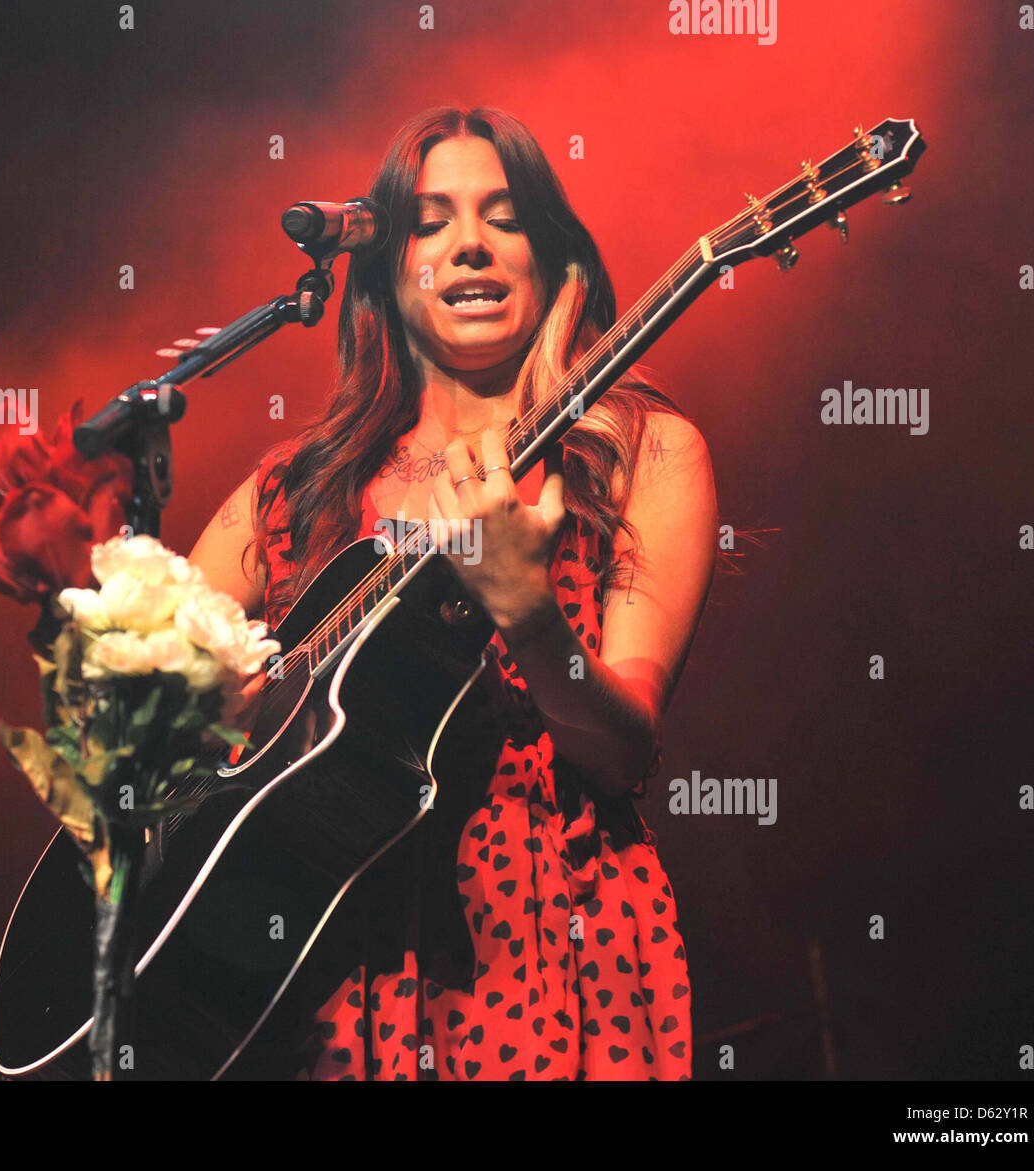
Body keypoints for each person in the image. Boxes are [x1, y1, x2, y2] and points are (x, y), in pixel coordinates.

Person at [188, 106, 717, 1081]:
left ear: (551, 260)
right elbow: (148, 718)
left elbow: (621, 750)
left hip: (545, 931)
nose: (469, 242)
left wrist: (525, 609)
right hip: (314, 955)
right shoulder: (292, 485)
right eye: (429, 222)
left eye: (503, 216)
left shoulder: (641, 450)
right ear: (386, 272)